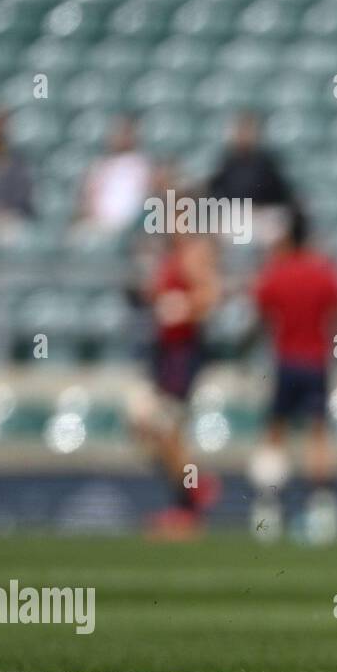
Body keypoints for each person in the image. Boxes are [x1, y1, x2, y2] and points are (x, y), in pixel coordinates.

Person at [251, 207, 337, 543]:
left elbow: (260, 318)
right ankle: (321, 505)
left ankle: (269, 506)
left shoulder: (275, 273)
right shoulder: (324, 272)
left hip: (286, 361)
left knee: (275, 432)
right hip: (316, 362)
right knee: (318, 434)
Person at [131, 225, 221, 539]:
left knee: (166, 424)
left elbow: (210, 295)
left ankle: (190, 497)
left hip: (181, 352)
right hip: (165, 352)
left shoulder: (193, 252)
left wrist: (182, 308)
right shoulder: (168, 254)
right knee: (152, 425)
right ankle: (189, 491)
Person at [0, 108, 34, 236]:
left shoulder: (16, 163)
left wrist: (2, 211)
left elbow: (21, 198)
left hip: (9, 218)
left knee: (11, 231)